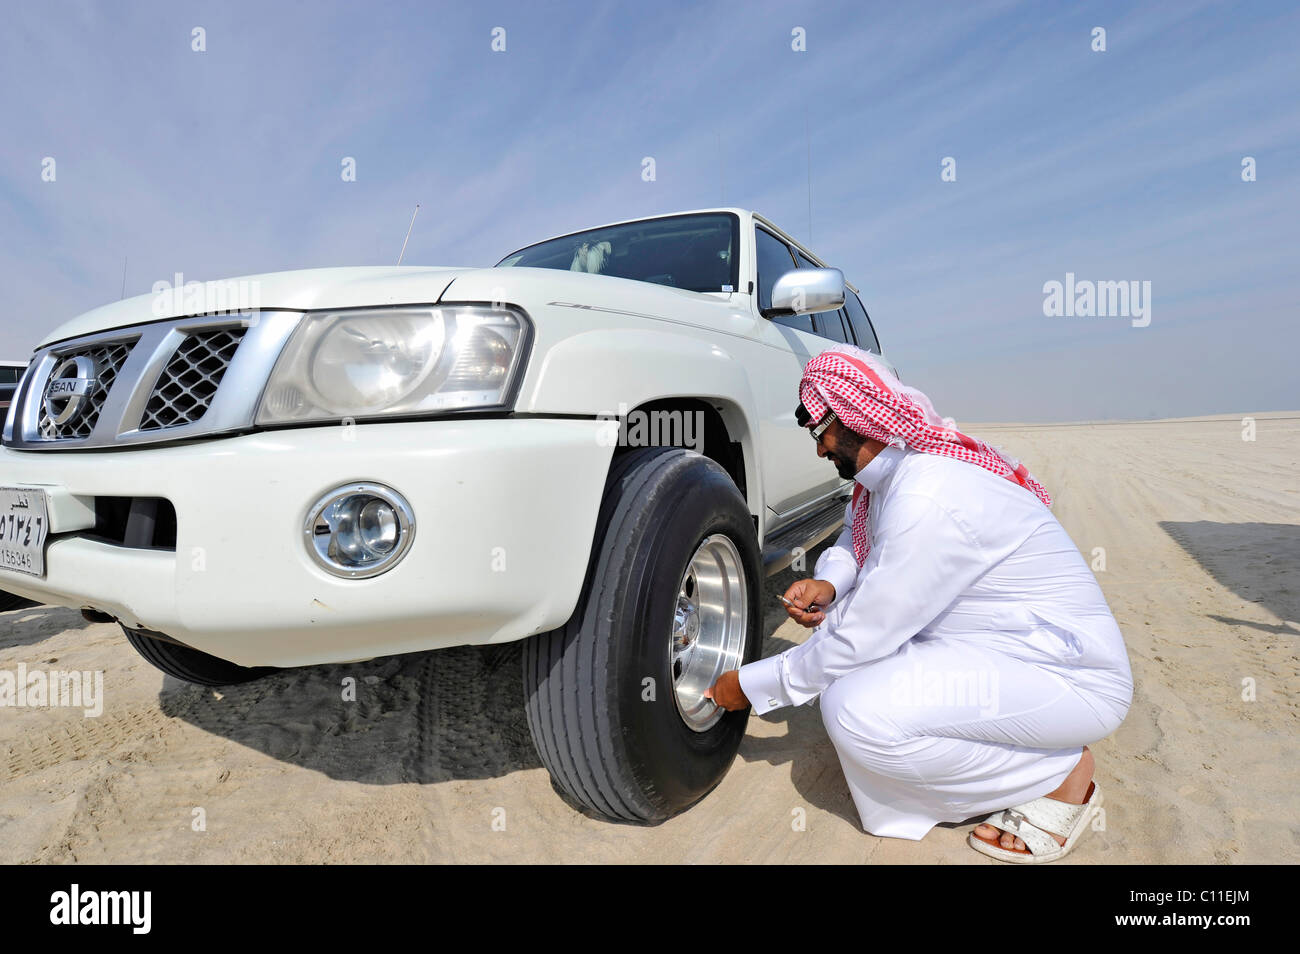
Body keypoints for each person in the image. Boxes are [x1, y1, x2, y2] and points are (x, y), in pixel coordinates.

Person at [704, 344, 1133, 863]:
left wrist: (749, 685)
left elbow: (866, 632)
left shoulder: (929, 495)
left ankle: (1060, 774)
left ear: (856, 419)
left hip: (1068, 676)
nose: (819, 451)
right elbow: (858, 539)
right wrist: (833, 585)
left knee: (858, 715)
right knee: (839, 651)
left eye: (820, 433)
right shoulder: (901, 473)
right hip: (998, 646)